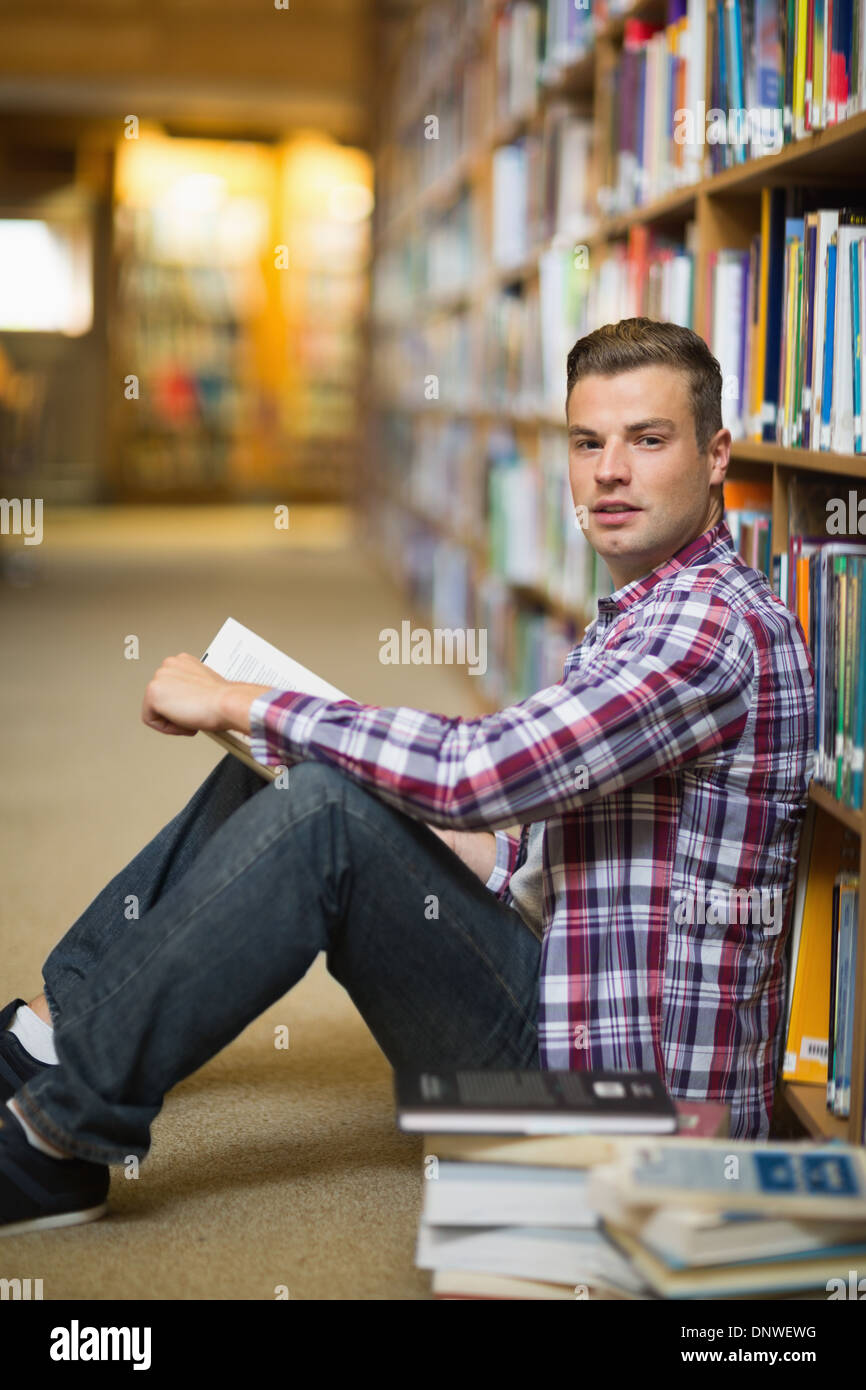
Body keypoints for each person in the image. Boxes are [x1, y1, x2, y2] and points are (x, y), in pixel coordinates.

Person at [0, 318, 814, 1236]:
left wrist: (244, 702)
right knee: (299, 770)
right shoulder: (656, 607)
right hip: (559, 1000)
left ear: (715, 457)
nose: (610, 472)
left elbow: (483, 772)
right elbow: (539, 866)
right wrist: (293, 737)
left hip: (622, 1121)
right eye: (589, 443)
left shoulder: (707, 632)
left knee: (324, 813)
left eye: (648, 440)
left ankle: (58, 1144)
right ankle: (49, 1035)